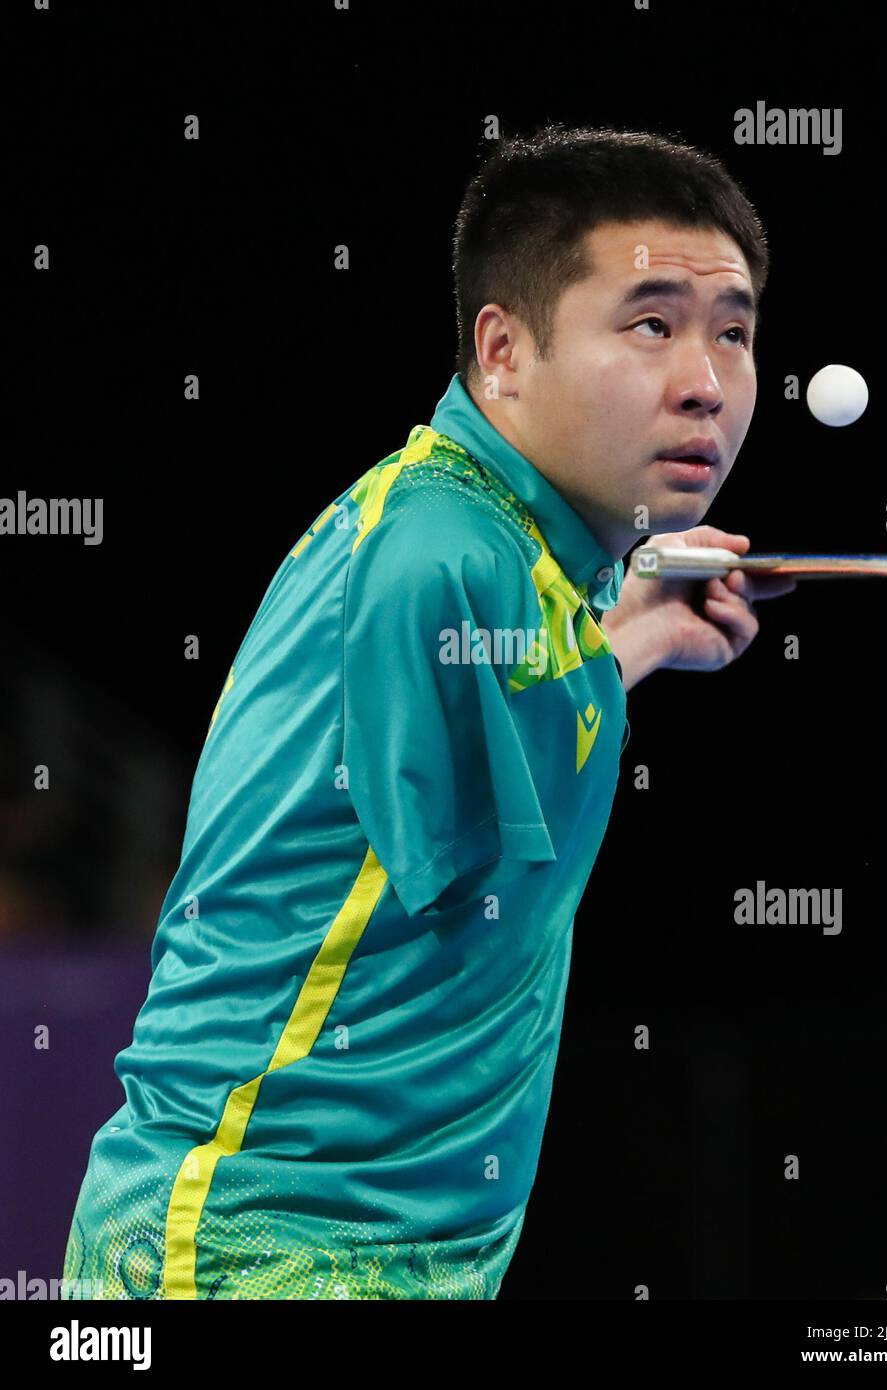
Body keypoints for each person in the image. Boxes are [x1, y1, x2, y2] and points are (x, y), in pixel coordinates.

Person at [62, 123, 794, 1301]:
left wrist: (636, 630)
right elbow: (464, 860)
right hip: (258, 1247)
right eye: (650, 324)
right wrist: (617, 645)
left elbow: (504, 716)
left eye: (734, 332)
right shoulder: (441, 550)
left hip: (375, 1254)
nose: (704, 381)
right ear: (502, 352)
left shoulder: (514, 539)